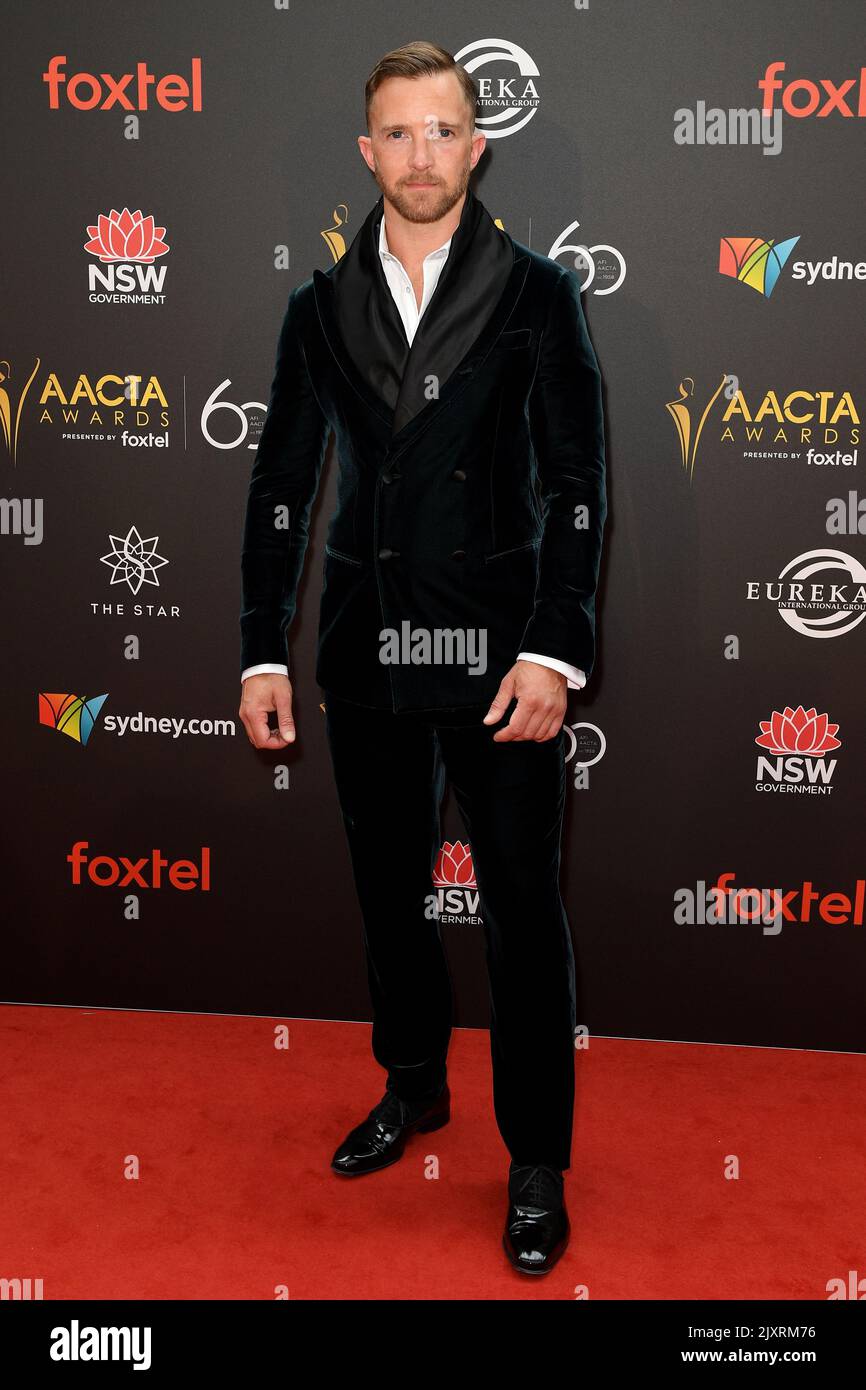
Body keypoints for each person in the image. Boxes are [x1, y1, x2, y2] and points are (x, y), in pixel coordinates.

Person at [239, 39, 606, 1276]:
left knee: (517, 914)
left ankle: (536, 1158)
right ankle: (411, 1085)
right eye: (395, 134)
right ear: (366, 152)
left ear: (477, 142)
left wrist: (556, 645)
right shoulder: (317, 308)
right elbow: (281, 486)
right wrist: (259, 651)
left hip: (499, 654)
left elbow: (573, 484)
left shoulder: (534, 294)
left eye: (440, 130)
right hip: (368, 653)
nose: (419, 156)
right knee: (389, 893)